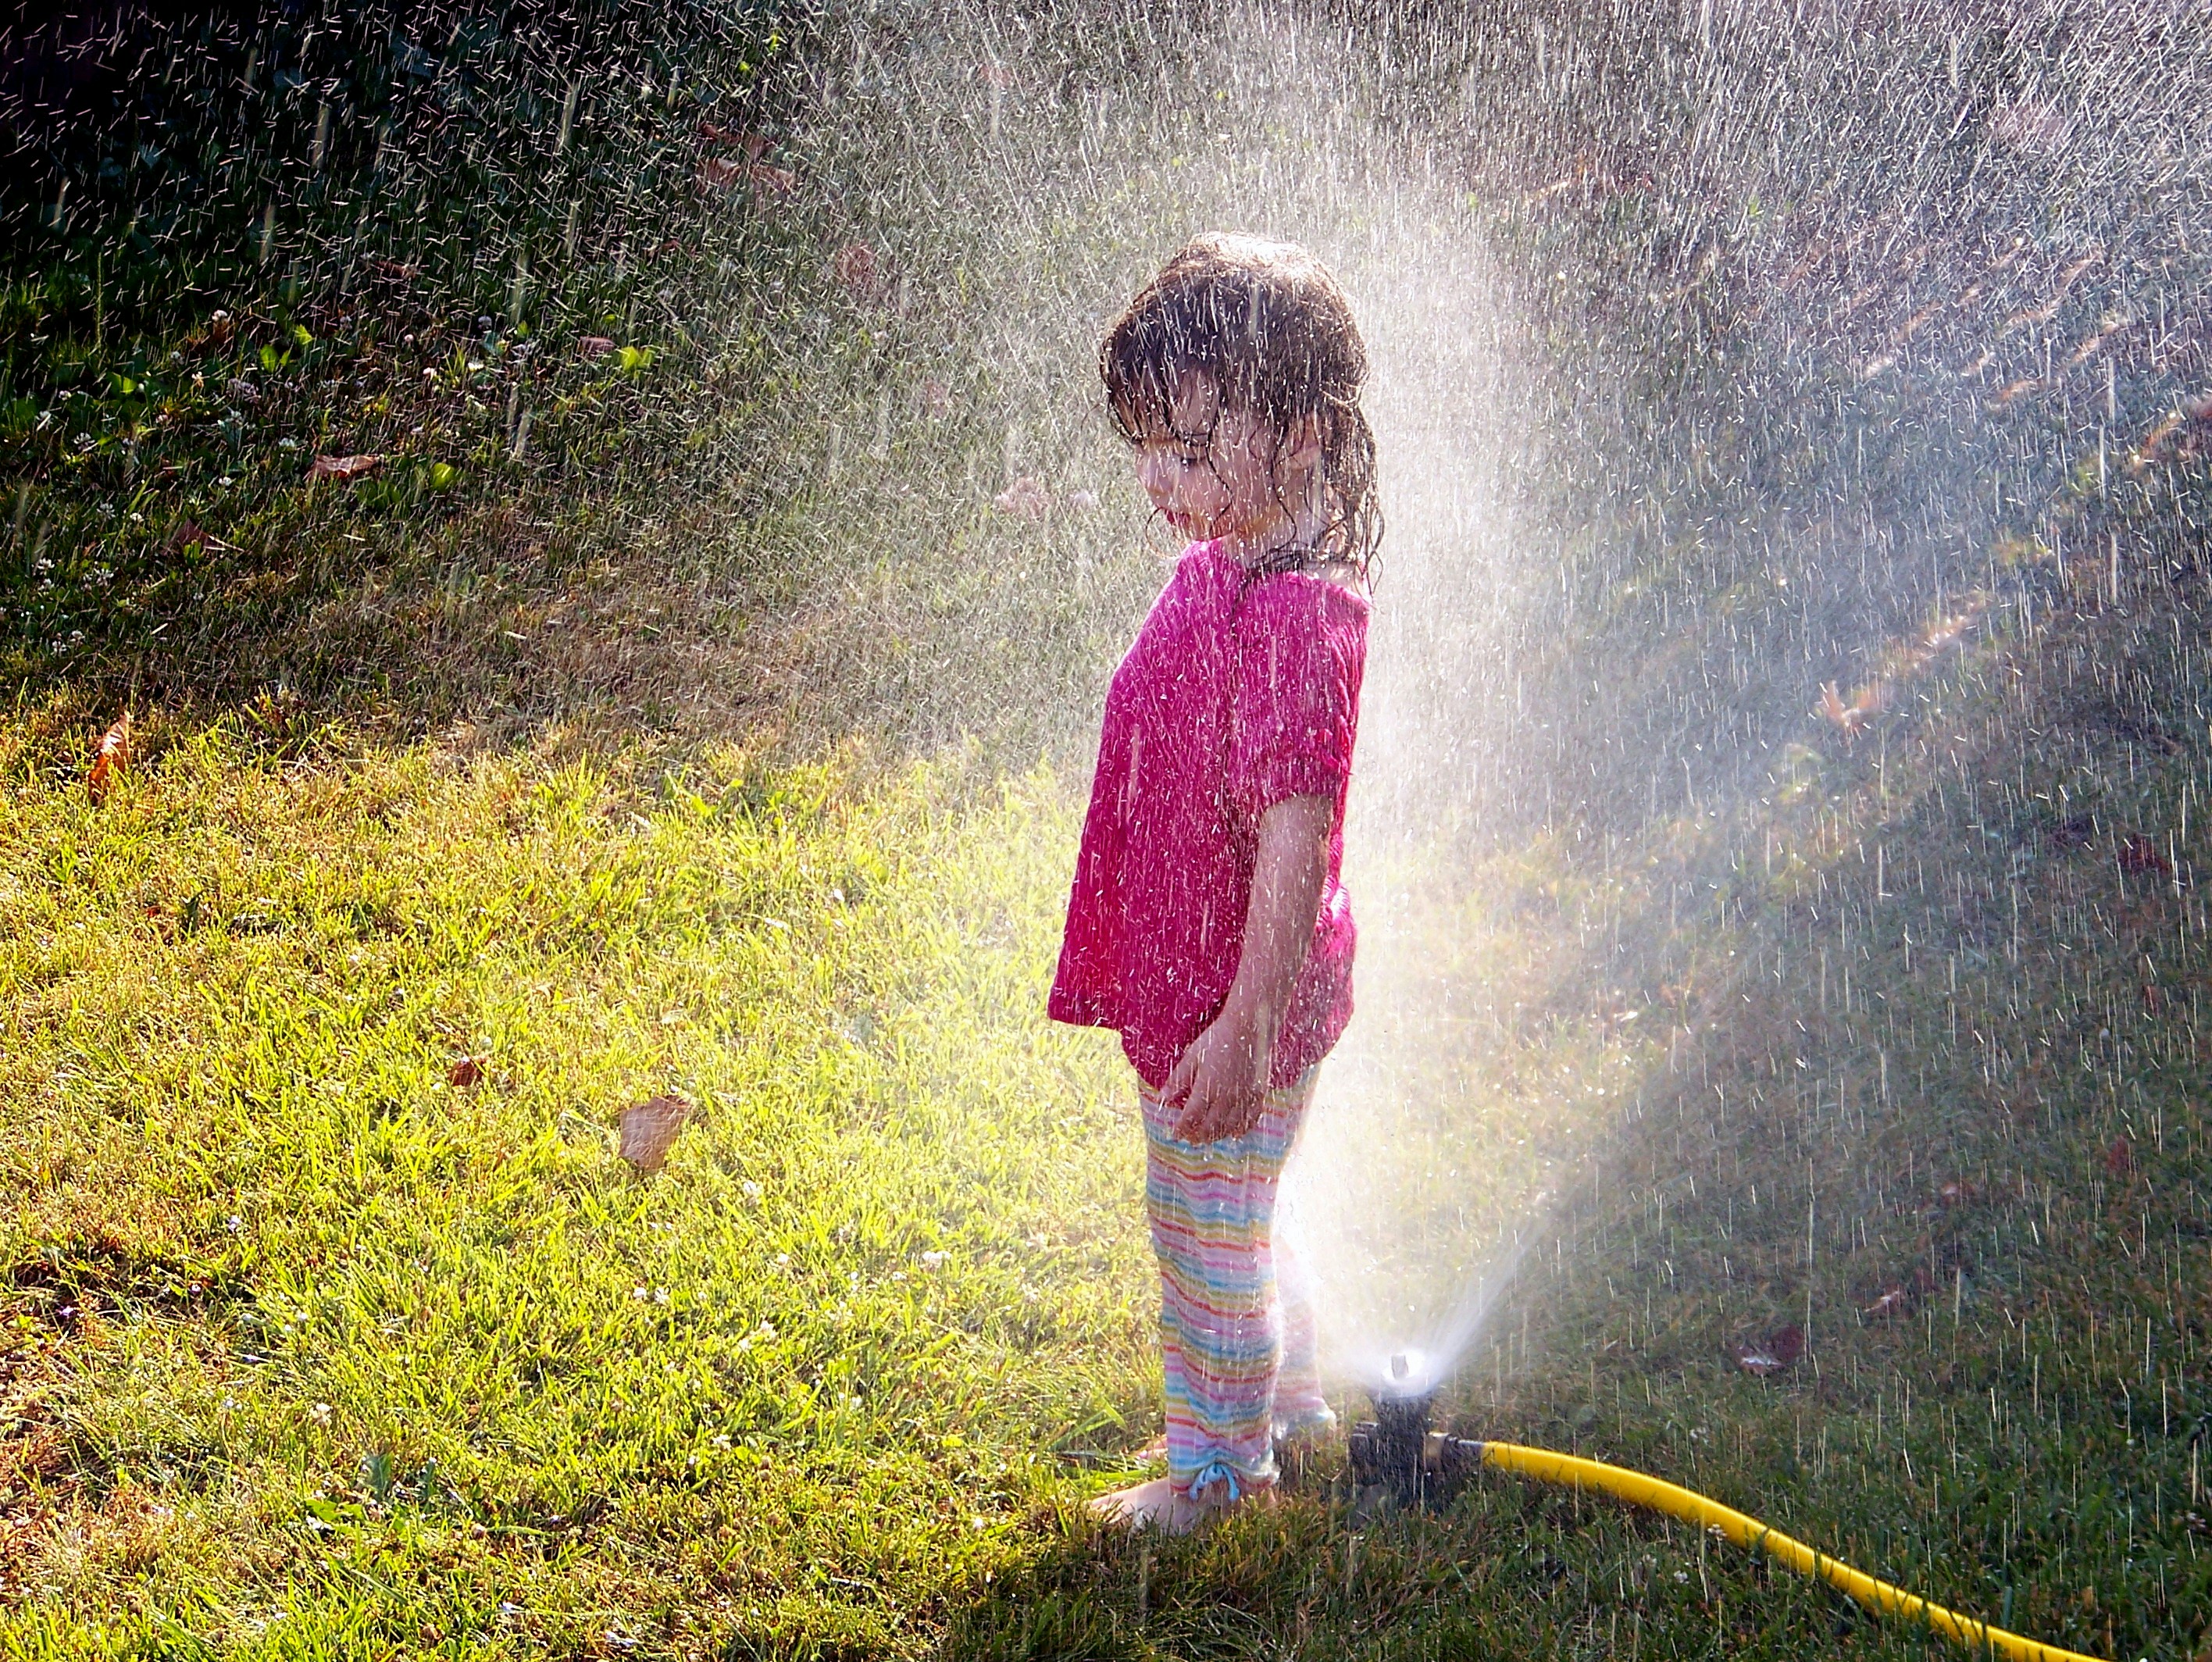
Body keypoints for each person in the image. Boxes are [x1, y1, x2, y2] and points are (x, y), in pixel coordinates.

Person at [1049, 232, 1379, 1532]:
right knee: (1237, 1208)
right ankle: (1287, 1400)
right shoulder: (1234, 570)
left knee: (1201, 1235)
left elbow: (1297, 846)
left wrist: (1246, 1023)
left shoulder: (1298, 621)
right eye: (1148, 446)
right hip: (1203, 980)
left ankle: (1221, 1479)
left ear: (1300, 437)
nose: (1156, 479)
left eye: (1189, 451)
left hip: (1235, 996)